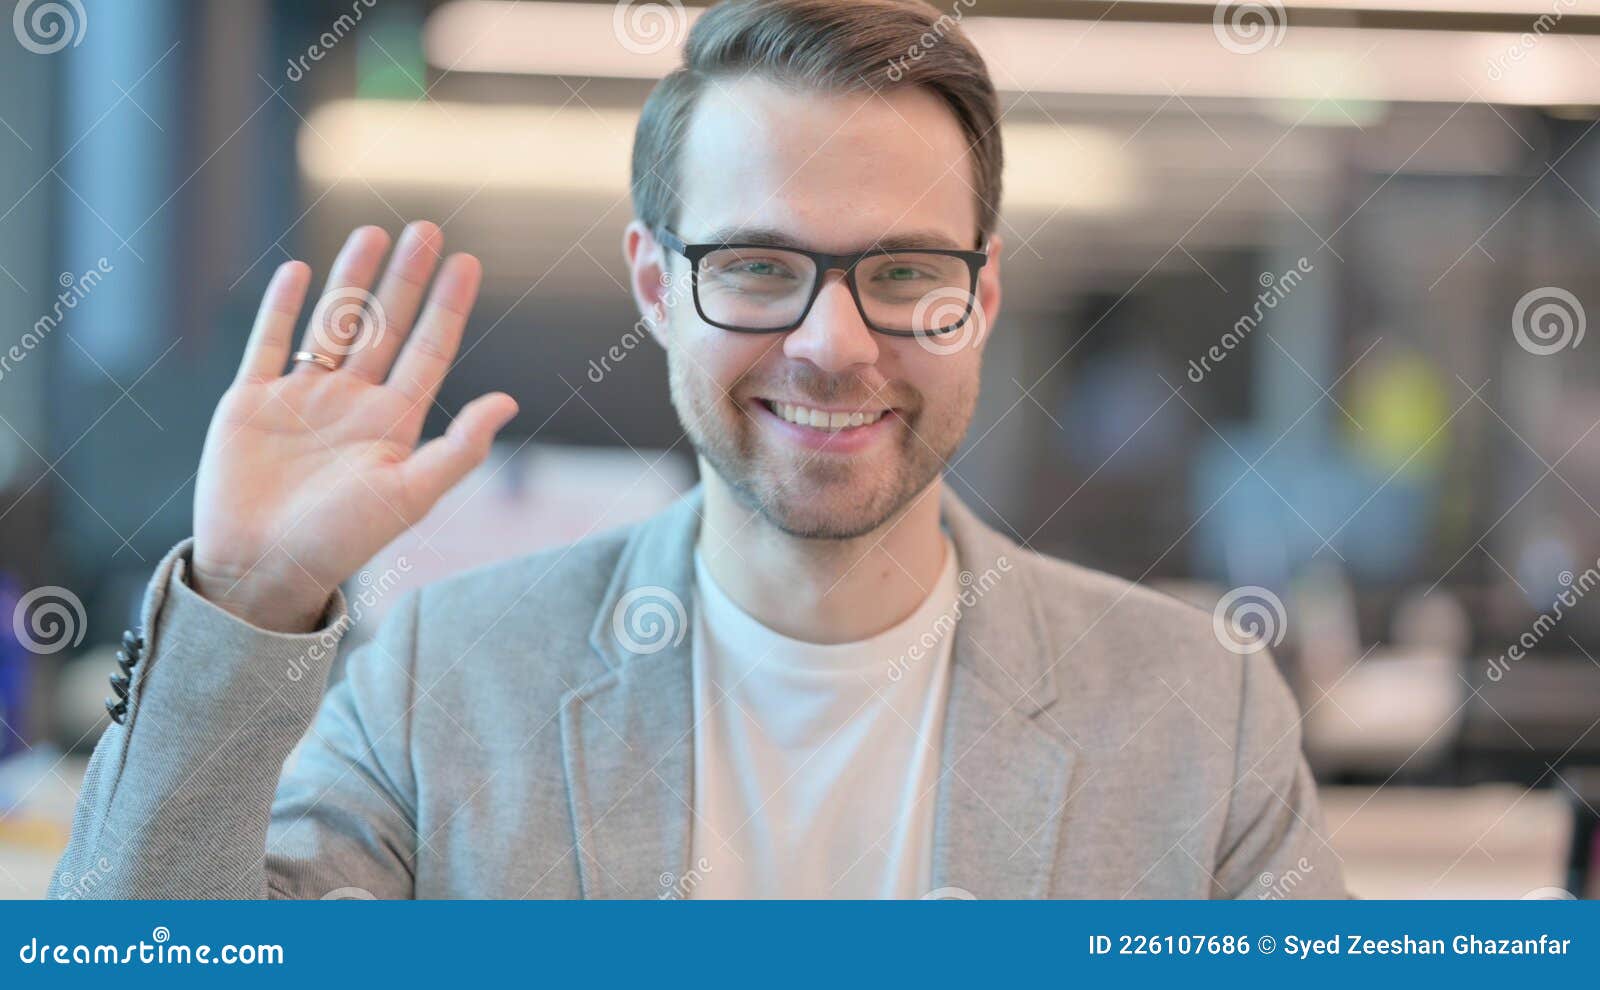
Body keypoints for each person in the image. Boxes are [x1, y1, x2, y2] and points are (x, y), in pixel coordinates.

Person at [49, 0, 1344, 899]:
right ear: (656, 287)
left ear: (982, 294)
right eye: (760, 266)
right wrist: (249, 601)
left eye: (903, 270)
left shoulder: (1196, 711)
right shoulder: (448, 677)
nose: (833, 343)